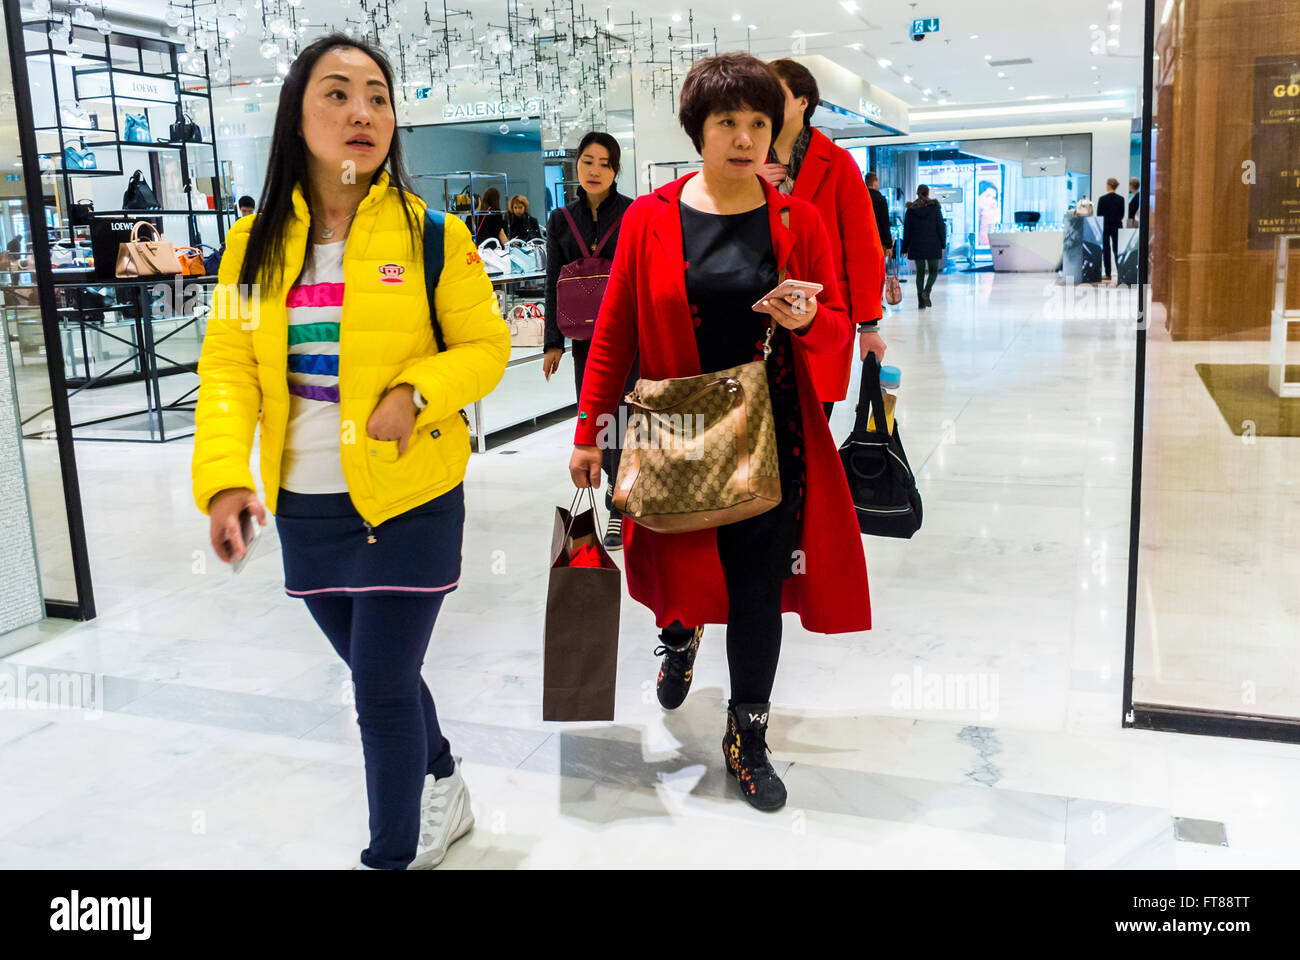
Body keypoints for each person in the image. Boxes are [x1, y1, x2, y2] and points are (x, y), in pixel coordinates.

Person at [190, 34, 510, 870]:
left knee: (377, 694)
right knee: (390, 677)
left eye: (376, 94)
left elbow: (486, 346)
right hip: (307, 506)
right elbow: (227, 368)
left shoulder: (433, 235)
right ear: (298, 119)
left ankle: (392, 855)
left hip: (409, 499)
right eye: (336, 93)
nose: (362, 111)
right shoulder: (248, 248)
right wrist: (225, 481)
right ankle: (444, 780)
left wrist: (417, 393)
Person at [567, 52, 871, 812]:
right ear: (697, 130)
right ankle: (678, 641)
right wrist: (587, 433)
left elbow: (836, 331)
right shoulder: (651, 218)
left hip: (771, 437)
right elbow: (612, 335)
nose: (743, 137)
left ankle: (749, 735)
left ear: (777, 130)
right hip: (675, 428)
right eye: (726, 122)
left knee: (757, 589)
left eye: (758, 123)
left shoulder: (796, 219)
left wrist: (811, 320)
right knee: (677, 564)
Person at [762, 58, 885, 420]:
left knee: (811, 433)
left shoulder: (838, 164)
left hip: (822, 313)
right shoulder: (746, 163)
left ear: (803, 101)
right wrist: (750, 185)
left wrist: (870, 326)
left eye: (775, 93)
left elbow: (863, 248)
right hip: (758, 312)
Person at [541, 131, 635, 549]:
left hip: (628, 336)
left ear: (615, 170)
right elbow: (552, 282)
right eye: (587, 161)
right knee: (596, 420)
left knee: (628, 416)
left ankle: (619, 505)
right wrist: (552, 341)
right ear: (576, 165)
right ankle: (613, 492)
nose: (595, 170)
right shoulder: (561, 219)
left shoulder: (633, 213)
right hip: (583, 340)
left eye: (604, 163)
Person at [901, 184, 946, 308]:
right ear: (928, 193)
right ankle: (927, 291)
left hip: (917, 245)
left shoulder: (910, 210)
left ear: (917, 193)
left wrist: (904, 248)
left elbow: (907, 231)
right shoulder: (935, 208)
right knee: (933, 271)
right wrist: (943, 243)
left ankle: (921, 302)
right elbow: (941, 227)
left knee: (920, 273)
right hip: (933, 244)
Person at [1097, 177, 1125, 281]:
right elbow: (1122, 214)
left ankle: (1108, 274)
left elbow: (1099, 214)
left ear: (1108, 185)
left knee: (1106, 250)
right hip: (1117, 225)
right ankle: (1120, 272)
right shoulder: (1121, 199)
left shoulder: (1102, 199)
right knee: (1117, 249)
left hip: (1105, 226)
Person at [866, 171, 892, 258]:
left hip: (864, 240)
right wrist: (889, 245)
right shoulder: (880, 199)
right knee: (878, 268)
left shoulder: (860, 198)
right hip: (879, 240)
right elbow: (885, 222)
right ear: (875, 182)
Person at [976, 180, 1001, 247]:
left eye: (994, 198)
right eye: (987, 196)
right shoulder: (970, 222)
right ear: (977, 197)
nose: (992, 201)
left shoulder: (993, 218)